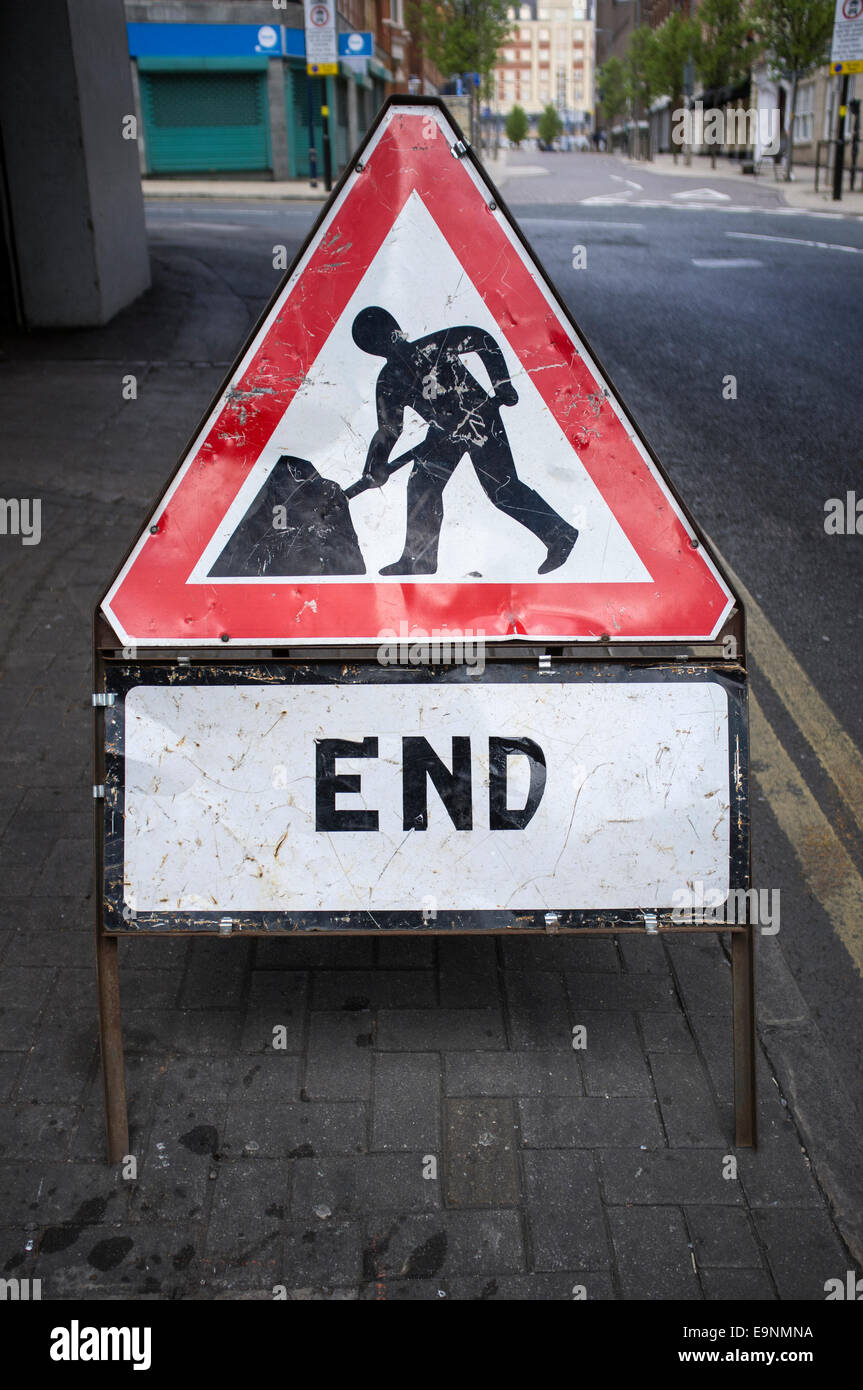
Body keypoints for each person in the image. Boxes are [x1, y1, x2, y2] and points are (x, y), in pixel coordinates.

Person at [351, 306, 579, 576]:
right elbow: (389, 429)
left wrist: (502, 383)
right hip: (441, 434)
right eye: (381, 346)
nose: (393, 347)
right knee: (422, 486)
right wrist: (376, 463)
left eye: (387, 339)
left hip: (478, 418)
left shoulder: (435, 345)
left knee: (502, 490)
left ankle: (560, 534)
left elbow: (482, 339)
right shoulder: (389, 379)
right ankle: (419, 560)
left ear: (393, 334)